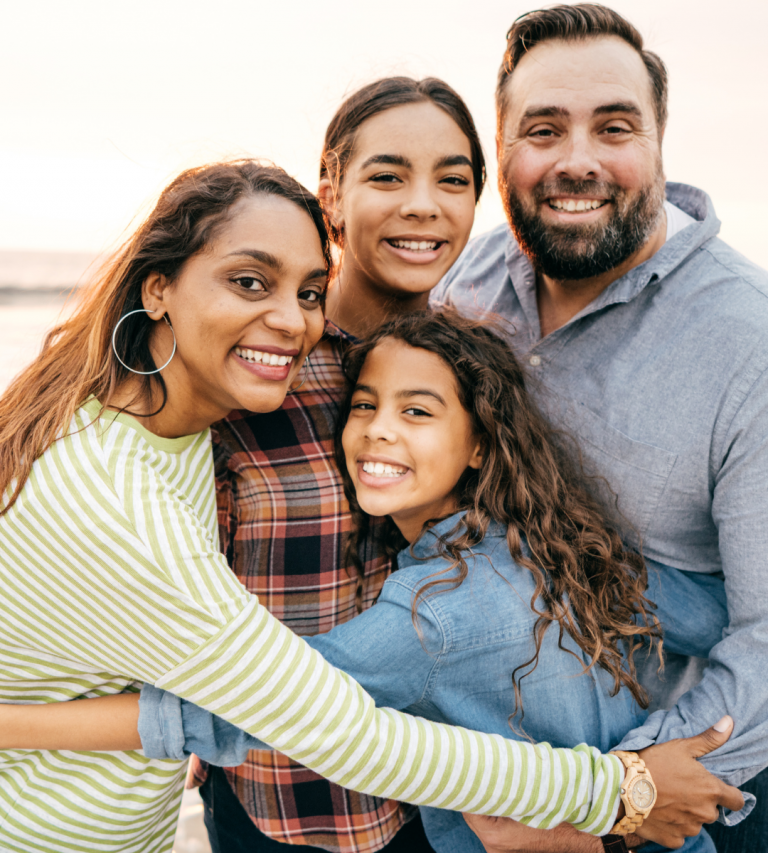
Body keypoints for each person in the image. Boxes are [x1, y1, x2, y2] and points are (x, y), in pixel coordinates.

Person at [0, 159, 642, 853]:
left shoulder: (148, 422)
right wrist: (615, 791)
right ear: (158, 288)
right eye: (249, 281)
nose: (291, 321)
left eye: (310, 292)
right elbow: (348, 734)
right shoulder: (117, 501)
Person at [0, 310, 744, 853]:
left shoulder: (429, 614)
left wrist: (17, 725)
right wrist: (649, 755)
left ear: (480, 443)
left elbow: (229, 711)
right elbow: (716, 620)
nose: (380, 428)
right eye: (365, 405)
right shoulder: (573, 546)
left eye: (417, 411)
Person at [432, 5, 767, 851]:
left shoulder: (749, 341)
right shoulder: (467, 285)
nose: (576, 160)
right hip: (482, 786)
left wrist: (620, 795)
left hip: (677, 801)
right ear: (502, 146)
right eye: (543, 130)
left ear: (659, 140)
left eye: (614, 128)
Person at [189, 76, 484, 853]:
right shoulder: (259, 363)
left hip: (448, 794)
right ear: (332, 197)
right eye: (387, 176)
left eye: (453, 180)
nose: (423, 205)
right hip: (275, 795)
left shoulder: (479, 371)